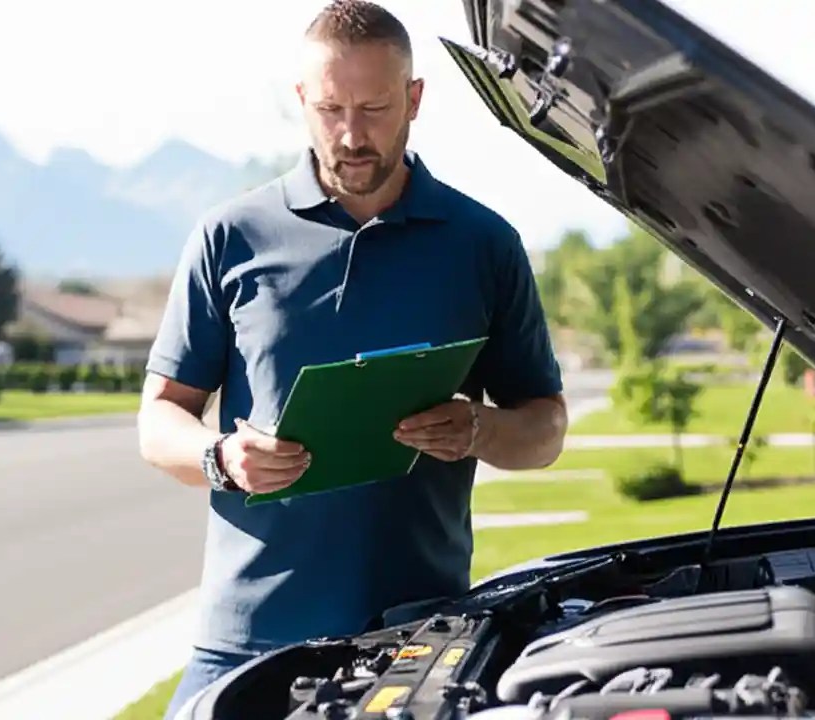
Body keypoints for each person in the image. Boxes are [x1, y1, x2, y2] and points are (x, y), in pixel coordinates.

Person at [137, 1, 568, 716]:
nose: (350, 134)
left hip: (422, 640)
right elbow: (159, 422)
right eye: (331, 108)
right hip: (247, 641)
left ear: (415, 99)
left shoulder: (483, 243)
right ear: (301, 100)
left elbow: (545, 429)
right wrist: (222, 457)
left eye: (373, 108)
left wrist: (479, 430)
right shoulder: (229, 236)